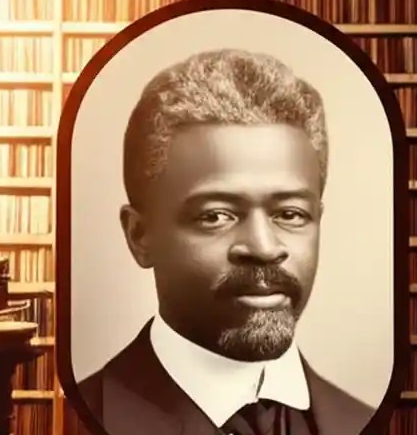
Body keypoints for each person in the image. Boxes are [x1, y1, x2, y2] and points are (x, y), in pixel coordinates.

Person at [73, 49, 375, 435]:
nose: (265, 247)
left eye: (290, 214)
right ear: (140, 236)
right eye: (215, 216)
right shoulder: (79, 417)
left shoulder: (364, 420)